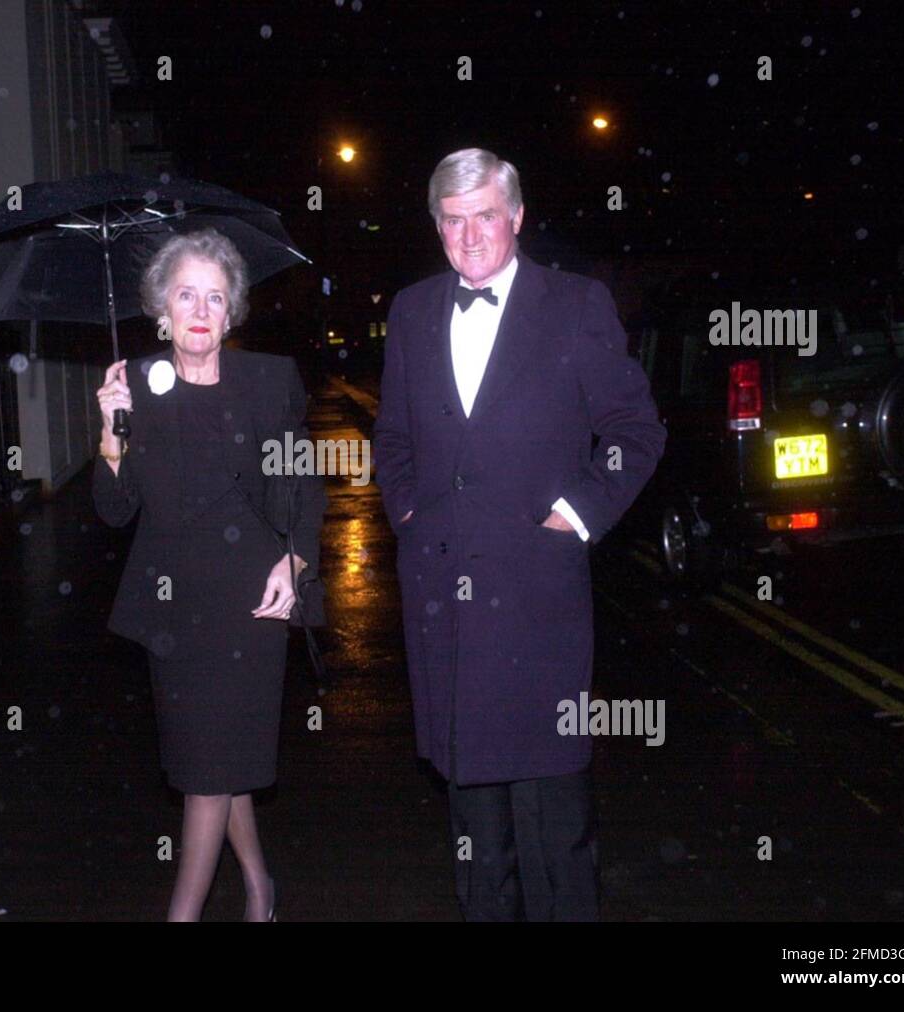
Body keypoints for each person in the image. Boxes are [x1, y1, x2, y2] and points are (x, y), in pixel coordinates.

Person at [373, 148, 666, 921]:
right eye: (453, 221)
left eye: (486, 218)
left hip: (537, 605)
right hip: (447, 606)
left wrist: (573, 518)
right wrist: (409, 513)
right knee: (476, 831)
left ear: (518, 219)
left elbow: (636, 431)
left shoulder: (575, 305)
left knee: (557, 830)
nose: (471, 237)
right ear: (437, 226)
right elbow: (393, 439)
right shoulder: (410, 311)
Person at [92, 227, 325, 921]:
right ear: (162, 307)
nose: (200, 309)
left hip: (252, 602)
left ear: (232, 313)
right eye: (186, 294)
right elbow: (114, 510)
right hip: (175, 612)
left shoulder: (268, 381)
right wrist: (110, 436)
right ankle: (259, 886)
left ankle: (183, 913)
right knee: (213, 766)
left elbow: (304, 485)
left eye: (215, 297)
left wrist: (297, 559)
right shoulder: (131, 386)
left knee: (205, 777)